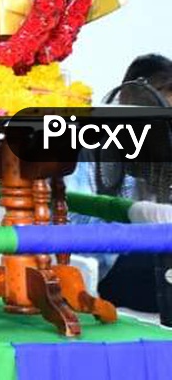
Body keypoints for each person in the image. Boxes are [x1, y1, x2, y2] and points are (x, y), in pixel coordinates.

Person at [70, 53, 172, 312]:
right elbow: (75, 223)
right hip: (104, 266)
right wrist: (140, 216)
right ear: (130, 99)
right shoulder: (88, 147)